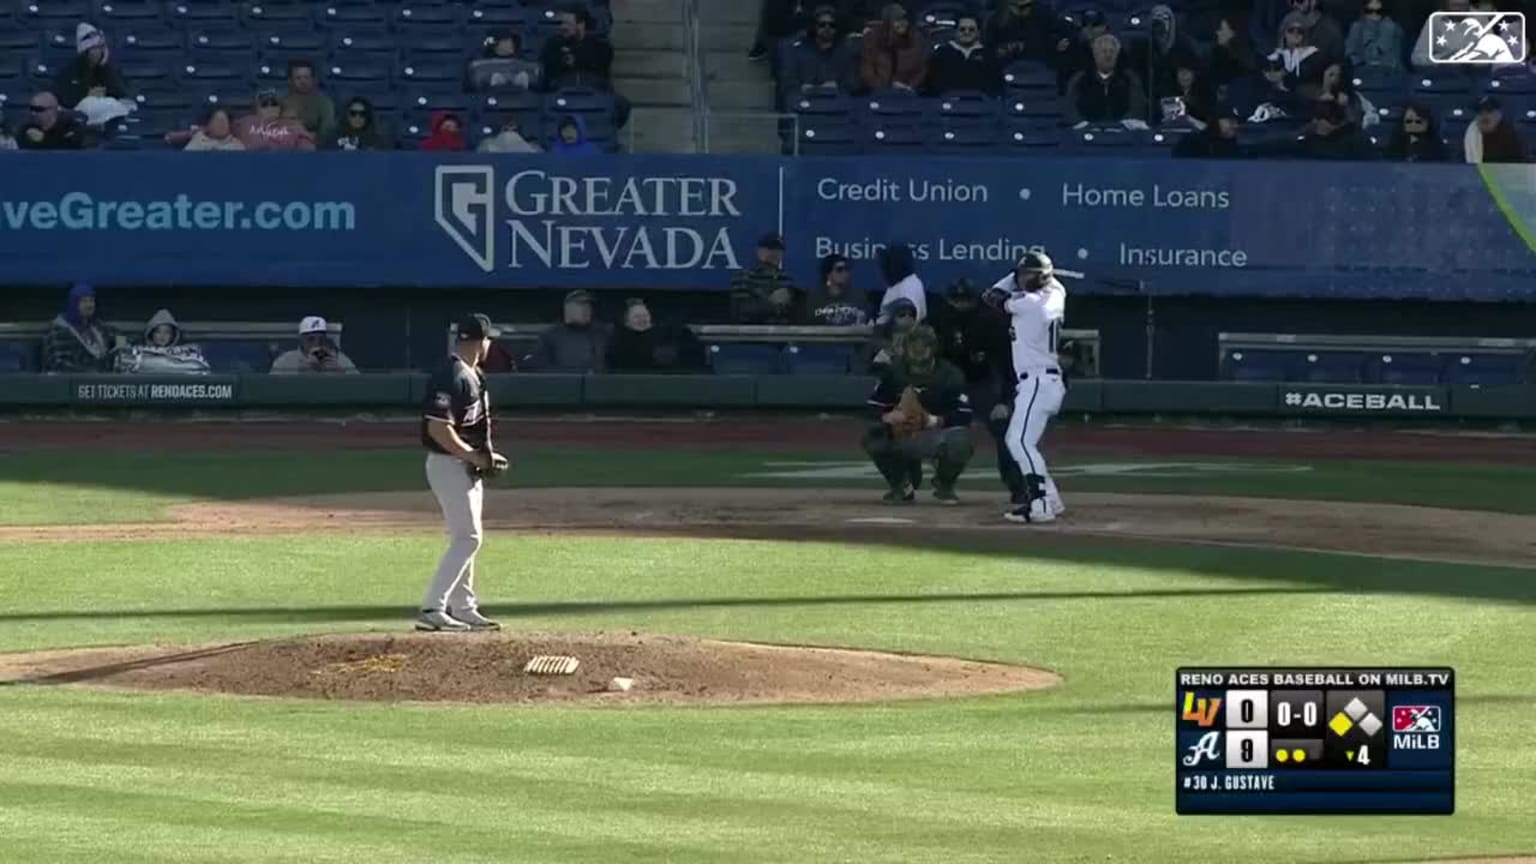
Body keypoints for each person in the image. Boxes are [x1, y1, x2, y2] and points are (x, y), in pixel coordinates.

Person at [417, 313, 508, 633]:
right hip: (448, 464)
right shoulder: (450, 375)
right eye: (488, 339)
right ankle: (433, 608)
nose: (490, 345)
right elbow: (438, 429)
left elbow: (473, 428)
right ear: (480, 341)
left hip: (464, 465)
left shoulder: (473, 374)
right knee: (468, 538)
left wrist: (485, 457)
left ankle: (464, 608)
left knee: (465, 537)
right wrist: (473, 456)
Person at [984, 251, 1067, 523]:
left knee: (1018, 442)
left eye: (1027, 275)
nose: (1020, 280)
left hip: (1037, 381)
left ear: (1040, 278)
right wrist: (1036, 272)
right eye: (1019, 275)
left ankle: (1039, 504)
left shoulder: (1028, 304)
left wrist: (1012, 277)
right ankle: (1050, 499)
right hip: (1044, 381)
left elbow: (992, 296)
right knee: (1023, 442)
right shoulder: (1058, 293)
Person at [930, 278, 1025, 504]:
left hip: (980, 382)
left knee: (1004, 428)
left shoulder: (991, 321)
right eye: (956, 300)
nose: (961, 305)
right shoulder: (939, 318)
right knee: (922, 423)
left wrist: (1004, 400)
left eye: (966, 300)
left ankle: (1018, 487)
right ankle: (926, 482)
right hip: (946, 383)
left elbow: (1008, 364)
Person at [861, 325, 975, 504]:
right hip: (902, 431)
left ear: (933, 348)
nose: (918, 350)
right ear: (906, 348)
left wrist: (933, 420)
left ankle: (944, 484)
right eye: (914, 345)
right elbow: (872, 406)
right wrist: (888, 417)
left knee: (960, 443)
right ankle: (901, 484)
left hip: (937, 432)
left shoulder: (950, 374)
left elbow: (965, 413)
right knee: (872, 436)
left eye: (924, 345)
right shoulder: (893, 371)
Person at [1063, 34, 1147, 126]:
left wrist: (1122, 125)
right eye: (1104, 51)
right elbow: (1071, 110)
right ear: (1095, 54)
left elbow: (1137, 108)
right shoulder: (1079, 79)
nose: (1108, 55)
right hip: (1086, 131)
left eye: (1112, 51)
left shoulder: (1130, 78)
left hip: (1123, 130)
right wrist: (1086, 126)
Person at [605, 298, 702, 372]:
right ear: (626, 322)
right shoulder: (618, 342)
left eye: (645, 316)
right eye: (637, 317)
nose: (642, 320)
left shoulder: (672, 335)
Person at [524, 289, 611, 372]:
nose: (586, 309)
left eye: (588, 306)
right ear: (568, 308)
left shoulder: (602, 334)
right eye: (580, 305)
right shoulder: (550, 335)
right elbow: (540, 370)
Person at [43, 283, 118, 373]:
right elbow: (58, 364)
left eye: (91, 301)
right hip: (76, 379)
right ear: (74, 304)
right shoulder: (58, 331)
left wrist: (125, 346)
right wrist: (91, 373)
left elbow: (118, 341)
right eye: (84, 301)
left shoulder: (98, 326)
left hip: (105, 378)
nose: (89, 305)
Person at [729, 233, 803, 324]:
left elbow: (792, 312)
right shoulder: (742, 277)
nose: (774, 253)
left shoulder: (786, 278)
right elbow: (744, 310)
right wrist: (772, 302)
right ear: (759, 251)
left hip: (781, 330)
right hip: (750, 330)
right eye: (769, 248)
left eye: (778, 250)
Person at [55, 23, 131, 110]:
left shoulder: (106, 70)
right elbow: (65, 99)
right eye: (94, 48)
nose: (98, 52)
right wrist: (88, 95)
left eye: (100, 47)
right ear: (86, 50)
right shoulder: (70, 71)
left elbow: (119, 93)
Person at [114, 309, 210, 375]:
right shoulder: (137, 351)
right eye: (158, 332)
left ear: (173, 335)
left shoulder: (188, 352)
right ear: (151, 333)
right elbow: (120, 361)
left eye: (167, 332)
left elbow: (199, 366)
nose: (162, 336)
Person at [860, 3, 928, 93]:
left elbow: (921, 68)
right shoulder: (873, 39)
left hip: (908, 92)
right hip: (877, 92)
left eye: (904, 20)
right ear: (888, 23)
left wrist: (909, 86)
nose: (902, 24)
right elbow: (867, 69)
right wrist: (884, 87)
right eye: (897, 20)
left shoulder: (915, 39)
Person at [928, 15, 999, 95]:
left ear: (978, 32)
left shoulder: (988, 54)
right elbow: (932, 84)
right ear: (955, 31)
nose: (966, 32)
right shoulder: (942, 53)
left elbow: (996, 84)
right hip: (946, 99)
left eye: (971, 29)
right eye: (962, 29)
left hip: (982, 101)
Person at [270, 316, 359, 374]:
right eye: (311, 339)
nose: (316, 344)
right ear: (302, 341)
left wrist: (339, 373)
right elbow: (272, 389)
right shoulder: (284, 361)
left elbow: (357, 386)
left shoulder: (339, 359)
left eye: (321, 340)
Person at [233, 90, 315, 151]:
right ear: (255, 109)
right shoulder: (245, 123)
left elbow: (308, 152)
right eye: (264, 105)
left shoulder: (293, 125)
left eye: (274, 104)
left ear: (280, 108)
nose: (270, 108)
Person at [467, 30, 543, 92]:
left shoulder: (525, 62)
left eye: (511, 42)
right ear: (495, 45)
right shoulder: (478, 64)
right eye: (505, 42)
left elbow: (536, 80)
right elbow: (476, 83)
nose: (510, 45)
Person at [805, 253, 868, 326]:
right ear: (828, 274)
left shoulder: (859, 296)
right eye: (839, 269)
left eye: (847, 269)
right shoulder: (815, 298)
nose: (845, 273)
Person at [1465, 96, 1527, 163]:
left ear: (1499, 114)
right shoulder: (1471, 136)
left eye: (1489, 111)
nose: (1484, 116)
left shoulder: (1512, 137)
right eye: (1479, 112)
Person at [284, 59, 335, 140]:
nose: (303, 82)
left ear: (313, 79)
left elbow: (327, 134)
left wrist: (305, 134)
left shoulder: (324, 103)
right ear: (290, 81)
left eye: (306, 77)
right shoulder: (280, 103)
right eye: (298, 78)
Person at [874, 243, 925, 324]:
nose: (882, 271)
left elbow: (905, 322)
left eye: (886, 264)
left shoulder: (909, 287)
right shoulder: (898, 283)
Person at [16, 92, 87, 150]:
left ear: (52, 110)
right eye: (32, 109)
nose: (33, 113)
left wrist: (45, 139)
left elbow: (71, 147)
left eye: (39, 109)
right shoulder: (27, 128)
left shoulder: (69, 125)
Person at [324, 98, 391, 150]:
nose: (357, 118)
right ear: (347, 116)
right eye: (353, 113)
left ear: (368, 116)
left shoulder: (378, 141)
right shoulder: (334, 138)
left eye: (362, 114)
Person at [179, 108, 244, 151]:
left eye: (223, 122)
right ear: (209, 124)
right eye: (217, 122)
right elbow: (186, 161)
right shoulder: (199, 139)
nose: (220, 126)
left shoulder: (236, 143)